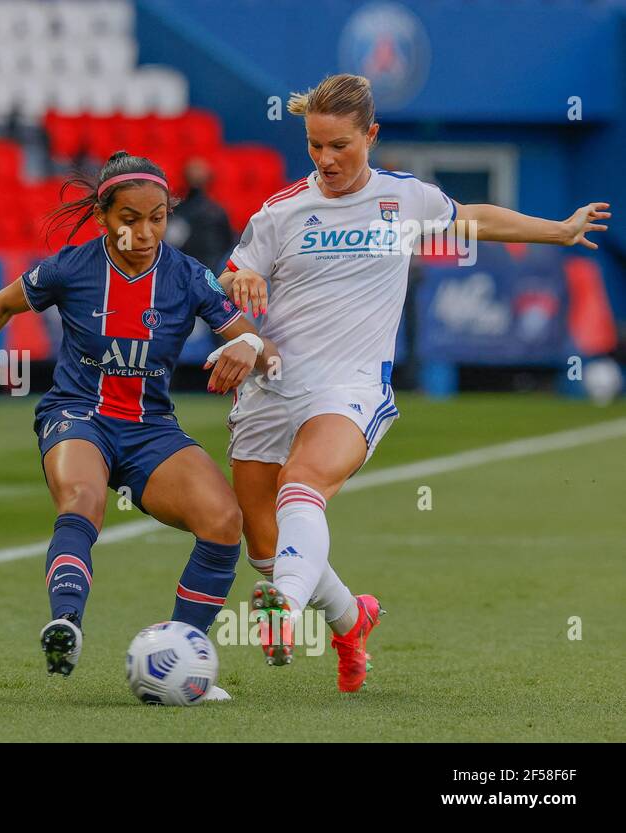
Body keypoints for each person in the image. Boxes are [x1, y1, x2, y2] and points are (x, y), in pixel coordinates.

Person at [219, 73, 610, 691]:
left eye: (339, 146)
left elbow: (473, 219)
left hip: (350, 386)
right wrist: (241, 316)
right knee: (266, 548)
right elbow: (231, 287)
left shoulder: (405, 200)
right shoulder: (281, 211)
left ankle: (282, 611)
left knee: (304, 484)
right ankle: (351, 622)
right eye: (315, 146)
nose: (325, 160)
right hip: (270, 388)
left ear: (370, 135)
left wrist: (557, 231)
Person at [0, 151, 278, 695]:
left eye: (158, 218)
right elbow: (0, 307)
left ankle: (181, 653)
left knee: (223, 522)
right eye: (130, 219)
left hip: (151, 428)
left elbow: (254, 340)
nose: (144, 232)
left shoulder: (188, 276)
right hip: (79, 414)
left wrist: (250, 343)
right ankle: (66, 624)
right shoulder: (71, 268)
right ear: (103, 217)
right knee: (83, 500)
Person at [167, 157, 234, 271]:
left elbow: (228, 242)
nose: (196, 177)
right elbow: (170, 242)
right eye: (193, 172)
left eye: (200, 173)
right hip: (182, 271)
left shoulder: (217, 212)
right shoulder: (176, 211)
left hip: (211, 271)